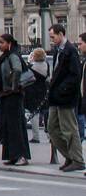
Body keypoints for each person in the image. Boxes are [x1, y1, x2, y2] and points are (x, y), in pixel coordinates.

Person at [45, 24, 84, 172]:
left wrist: (62, 90)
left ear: (61, 34)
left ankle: (77, 159)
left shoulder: (70, 51)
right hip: (56, 97)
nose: (52, 40)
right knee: (52, 128)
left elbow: (75, 75)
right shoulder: (58, 51)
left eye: (53, 37)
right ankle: (69, 156)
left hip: (65, 97)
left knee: (69, 129)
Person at [0, 34, 31, 166]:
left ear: (9, 43)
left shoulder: (13, 56)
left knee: (16, 126)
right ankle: (12, 155)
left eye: (2, 42)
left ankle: (21, 155)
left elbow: (17, 70)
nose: (0, 45)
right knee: (7, 126)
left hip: (13, 95)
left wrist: (13, 86)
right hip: (5, 95)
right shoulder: (4, 57)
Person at [25, 48, 49, 146]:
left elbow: (27, 79)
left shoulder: (32, 67)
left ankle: (36, 136)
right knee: (47, 113)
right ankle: (50, 136)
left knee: (34, 114)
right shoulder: (46, 65)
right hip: (44, 91)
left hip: (33, 92)